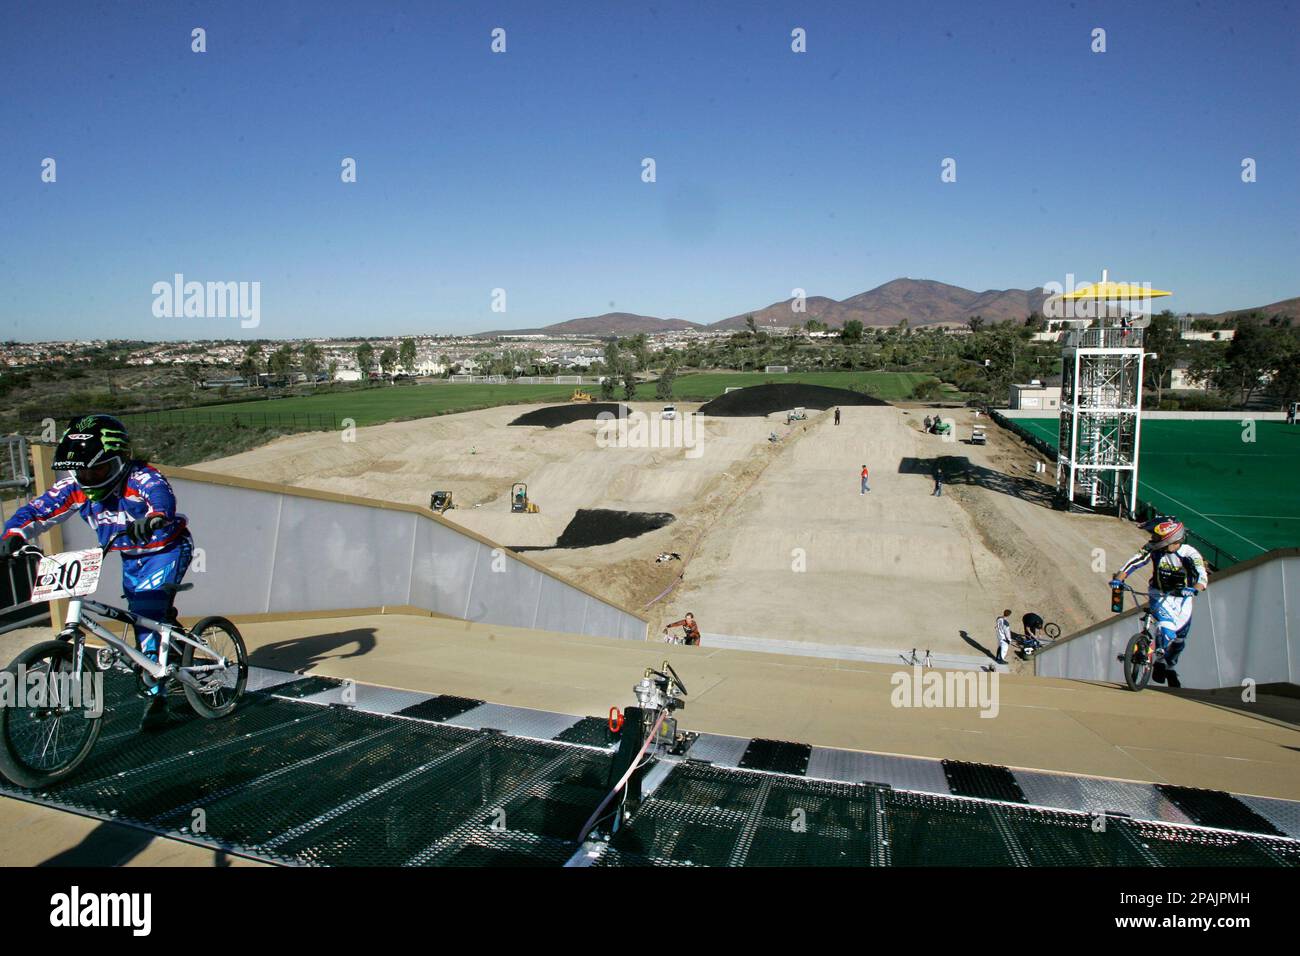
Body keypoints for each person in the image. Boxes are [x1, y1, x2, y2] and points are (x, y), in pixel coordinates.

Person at [0, 415, 194, 729]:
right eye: (82, 471)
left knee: (146, 612)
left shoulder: (141, 476)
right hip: (129, 555)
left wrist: (155, 516)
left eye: (98, 470)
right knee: (141, 614)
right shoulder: (75, 487)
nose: (89, 478)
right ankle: (175, 646)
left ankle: (156, 694)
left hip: (166, 549)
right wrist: (12, 534)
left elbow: (160, 496)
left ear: (120, 461)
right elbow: (38, 509)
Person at [1111, 518, 1208, 688]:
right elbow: (1135, 561)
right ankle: (1158, 659)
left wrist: (1195, 589)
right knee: (1165, 626)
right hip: (1157, 593)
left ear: (1170, 539)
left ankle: (1169, 667)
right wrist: (1119, 579)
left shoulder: (1189, 554)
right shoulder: (1153, 548)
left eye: (1157, 537)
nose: (1152, 540)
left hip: (1182, 599)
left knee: (1179, 640)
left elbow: (1202, 575)